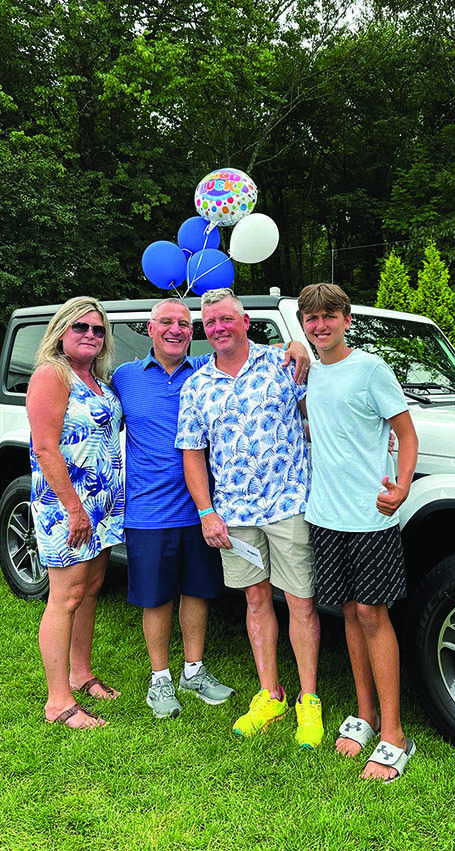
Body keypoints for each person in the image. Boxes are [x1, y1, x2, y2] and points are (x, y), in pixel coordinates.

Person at [111, 297, 311, 720]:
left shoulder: (202, 370)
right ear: (149, 329)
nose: (176, 330)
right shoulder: (126, 378)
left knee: (199, 591)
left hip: (225, 509)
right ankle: (160, 678)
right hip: (159, 510)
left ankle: (195, 671)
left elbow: (300, 388)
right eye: (166, 322)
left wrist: (297, 343)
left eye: (184, 323)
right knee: (156, 596)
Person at [176, 288, 323, 749]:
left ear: (244, 320)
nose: (218, 327)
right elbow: (192, 453)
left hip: (289, 503)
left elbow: (321, 405)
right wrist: (206, 512)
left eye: (225, 318)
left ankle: (309, 699)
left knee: (300, 602)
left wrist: (305, 348)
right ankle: (270, 694)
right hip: (235, 513)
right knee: (255, 601)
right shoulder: (197, 385)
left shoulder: (282, 363)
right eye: (210, 322)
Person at [297, 282, 418, 782]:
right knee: (347, 611)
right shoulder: (310, 373)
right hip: (325, 514)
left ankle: (394, 733)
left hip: (370, 515)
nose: (320, 325)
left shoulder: (370, 369)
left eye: (329, 316)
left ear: (347, 319)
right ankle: (365, 715)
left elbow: (407, 432)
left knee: (372, 612)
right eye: (311, 319)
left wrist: (403, 485)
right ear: (304, 326)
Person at [27, 296, 125, 729]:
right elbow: (45, 447)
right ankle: (58, 701)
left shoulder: (98, 380)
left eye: (98, 330)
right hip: (67, 506)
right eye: (81, 328)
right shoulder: (53, 374)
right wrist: (73, 508)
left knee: (91, 588)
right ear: (62, 331)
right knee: (64, 597)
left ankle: (80, 673)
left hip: (102, 503)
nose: (90, 335)